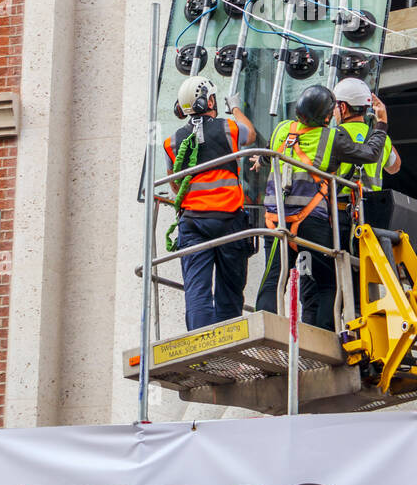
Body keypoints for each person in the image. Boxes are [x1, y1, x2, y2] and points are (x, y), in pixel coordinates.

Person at [256, 83, 391, 330]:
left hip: (275, 220)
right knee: (325, 282)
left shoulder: (281, 129)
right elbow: (371, 153)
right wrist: (381, 124)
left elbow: (268, 153)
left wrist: (259, 160)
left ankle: (265, 337)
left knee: (274, 279)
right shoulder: (332, 137)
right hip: (311, 223)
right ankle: (325, 337)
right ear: (328, 115)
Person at [164, 76, 256, 332]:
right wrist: (235, 108)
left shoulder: (171, 142)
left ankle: (201, 352)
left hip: (193, 223)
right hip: (229, 220)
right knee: (229, 290)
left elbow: (175, 185)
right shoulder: (229, 128)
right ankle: (229, 347)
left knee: (197, 291)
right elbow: (251, 135)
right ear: (209, 100)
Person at [332, 77, 401, 216]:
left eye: (334, 107)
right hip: (372, 212)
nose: (333, 112)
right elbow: (395, 167)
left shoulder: (332, 135)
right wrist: (376, 127)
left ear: (343, 108)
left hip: (340, 211)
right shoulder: (382, 139)